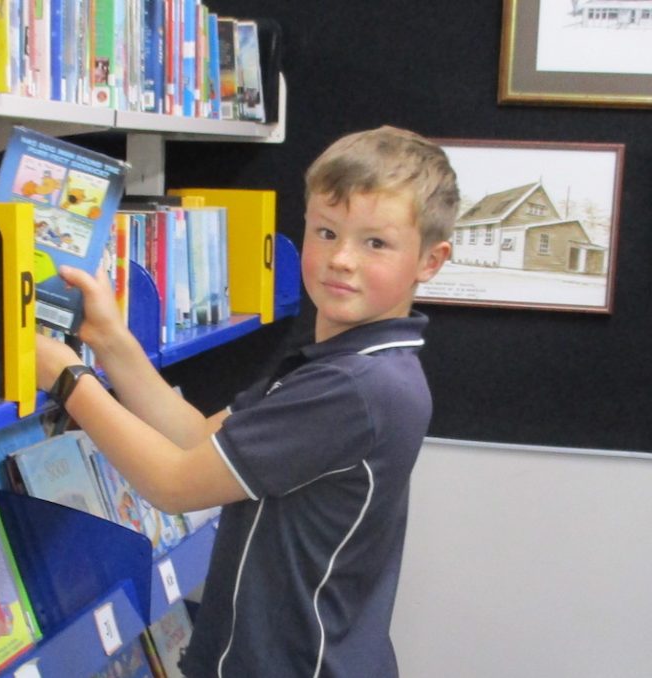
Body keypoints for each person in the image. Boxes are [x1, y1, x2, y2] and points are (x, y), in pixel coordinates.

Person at [34, 126, 459, 677]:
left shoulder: (357, 388)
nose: (342, 259)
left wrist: (66, 380)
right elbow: (194, 438)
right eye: (326, 232)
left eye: (375, 243)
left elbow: (175, 484)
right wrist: (111, 340)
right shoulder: (342, 366)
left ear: (430, 260)